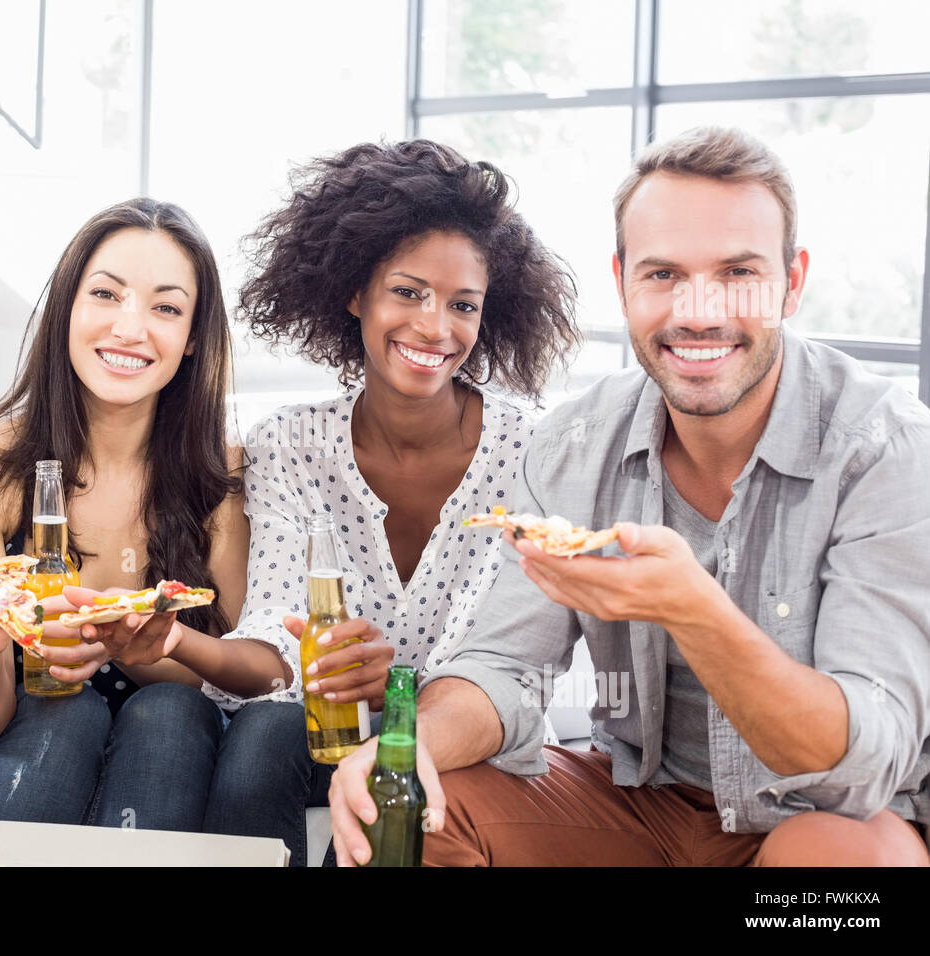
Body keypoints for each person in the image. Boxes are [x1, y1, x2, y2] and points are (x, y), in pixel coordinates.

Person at [329, 126, 930, 867]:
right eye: (664, 275)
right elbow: (504, 667)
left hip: (823, 818)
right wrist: (408, 749)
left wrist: (691, 607)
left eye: (738, 273)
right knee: (423, 813)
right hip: (641, 807)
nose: (698, 311)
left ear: (792, 282)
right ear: (623, 283)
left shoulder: (886, 447)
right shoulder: (575, 444)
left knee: (850, 875)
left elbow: (865, 761)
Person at [200, 140, 580, 864]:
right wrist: (304, 664)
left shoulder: (533, 453)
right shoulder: (290, 445)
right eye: (408, 292)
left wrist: (402, 684)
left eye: (462, 305)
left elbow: (516, 666)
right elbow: (276, 648)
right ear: (355, 293)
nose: (436, 328)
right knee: (257, 744)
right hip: (321, 730)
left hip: (470, 735)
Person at [0, 198, 286, 832]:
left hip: (170, 734)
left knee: (171, 709)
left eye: (166, 308)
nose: (129, 328)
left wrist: (130, 643)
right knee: (67, 709)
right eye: (107, 295)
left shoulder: (222, 475)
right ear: (68, 308)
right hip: (20, 738)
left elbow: (222, 675)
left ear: (194, 337)